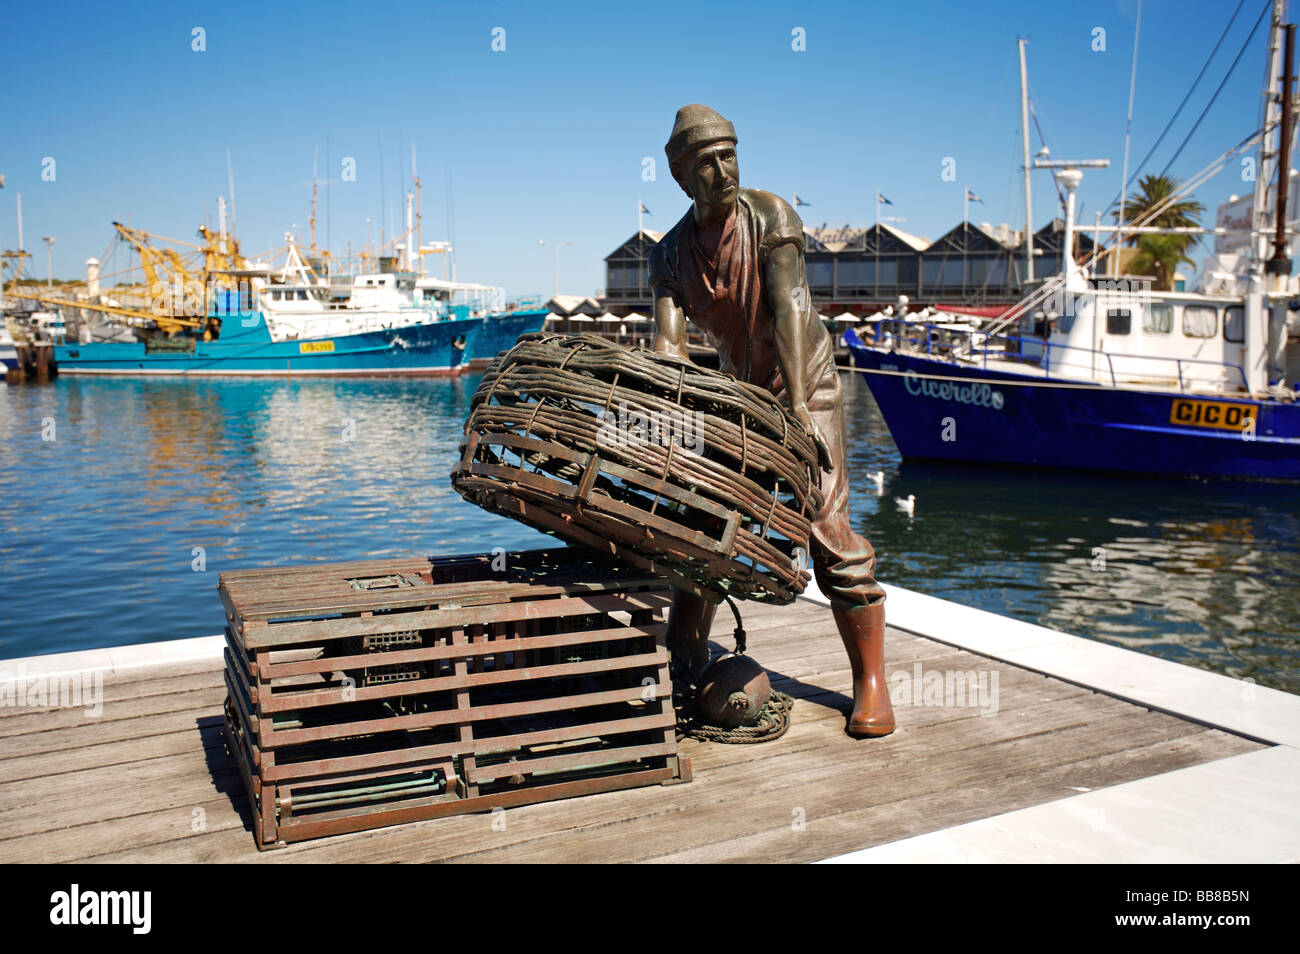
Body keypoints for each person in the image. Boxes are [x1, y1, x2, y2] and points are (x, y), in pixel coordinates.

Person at [649, 104, 894, 737]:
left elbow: (789, 310)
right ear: (680, 176)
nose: (722, 170)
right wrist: (672, 411)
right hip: (739, 394)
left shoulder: (772, 217)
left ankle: (870, 683)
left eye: (729, 155)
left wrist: (794, 415)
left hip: (803, 382)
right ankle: (681, 664)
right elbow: (670, 348)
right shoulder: (670, 255)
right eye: (706, 162)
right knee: (704, 520)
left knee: (827, 525)